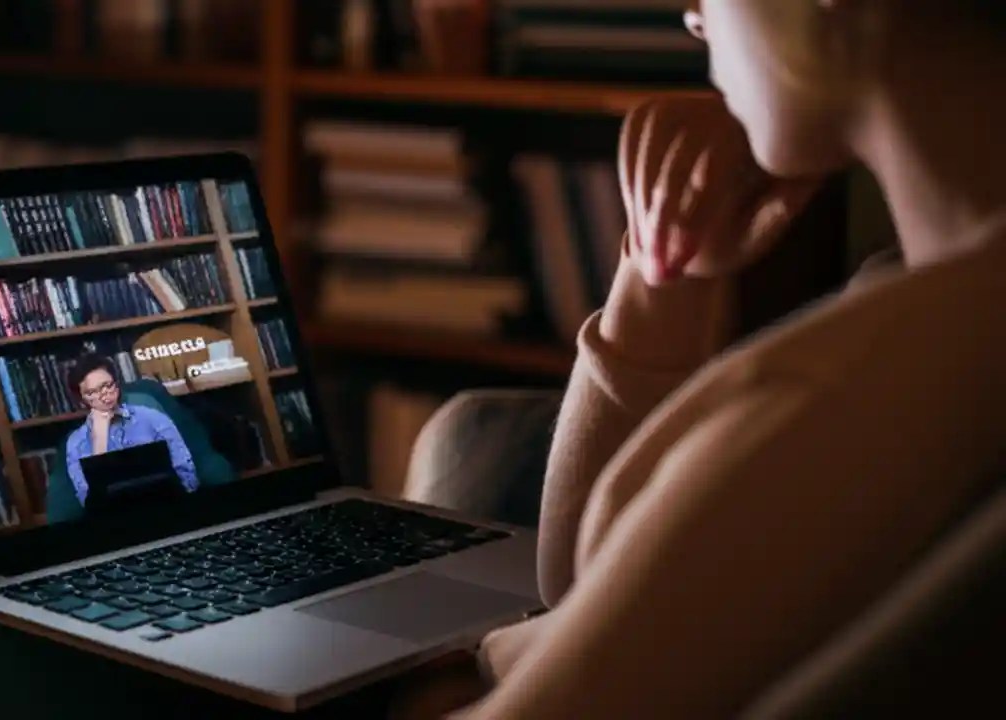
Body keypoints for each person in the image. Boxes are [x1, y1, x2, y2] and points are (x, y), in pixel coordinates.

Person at [395, 1, 1006, 717]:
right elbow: (578, 588)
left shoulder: (837, 400)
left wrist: (415, 691)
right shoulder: (927, 300)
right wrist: (667, 271)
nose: (693, 17)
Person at [64, 353, 199, 504]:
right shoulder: (76, 443)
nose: (104, 395)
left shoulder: (151, 418)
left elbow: (187, 473)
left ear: (117, 385)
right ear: (81, 401)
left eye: (107, 386)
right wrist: (99, 438)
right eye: (92, 392)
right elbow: (90, 501)